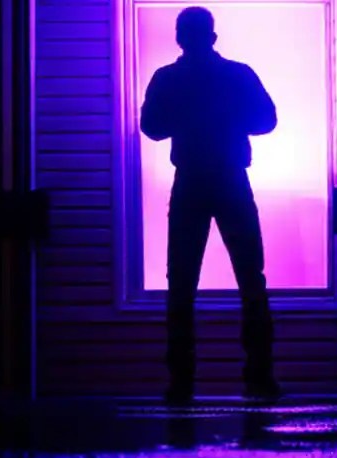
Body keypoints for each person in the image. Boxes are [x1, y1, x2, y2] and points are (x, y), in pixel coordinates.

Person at [139, 6, 282, 405]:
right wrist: (227, 116)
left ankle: (181, 381)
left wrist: (186, 117)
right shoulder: (236, 74)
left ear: (179, 38)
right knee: (251, 278)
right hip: (231, 178)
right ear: (213, 36)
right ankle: (260, 376)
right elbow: (266, 119)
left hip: (190, 181)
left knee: (181, 283)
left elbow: (151, 127)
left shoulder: (168, 78)